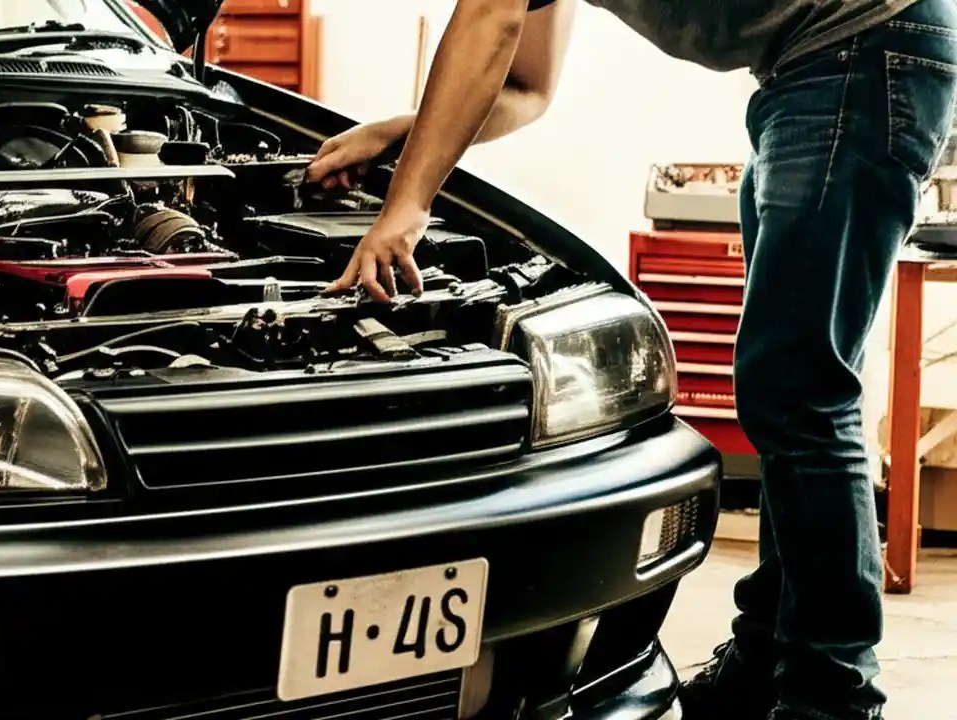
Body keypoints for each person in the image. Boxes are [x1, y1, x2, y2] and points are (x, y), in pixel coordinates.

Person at [306, 0, 957, 718]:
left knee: (799, 390)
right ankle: (771, 656)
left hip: (858, 52)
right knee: (788, 393)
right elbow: (524, 87)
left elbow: (489, 21)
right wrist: (403, 133)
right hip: (815, 70)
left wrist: (407, 205)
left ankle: (832, 696)